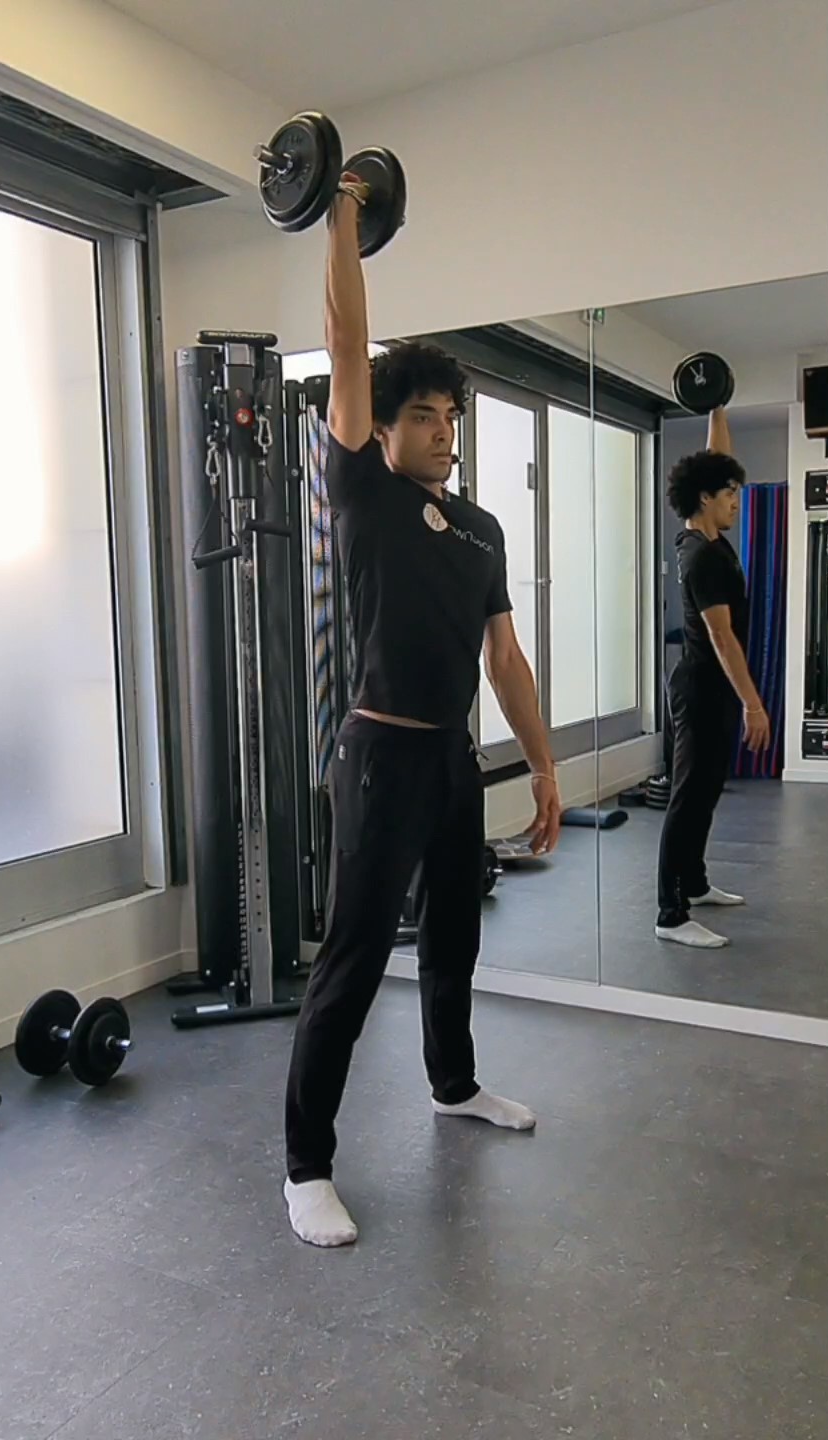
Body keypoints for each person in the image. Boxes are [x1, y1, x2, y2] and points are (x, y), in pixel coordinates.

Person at [282, 172, 561, 1248]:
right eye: (425, 417)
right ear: (384, 430)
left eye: (452, 416)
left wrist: (540, 767)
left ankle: (454, 1086)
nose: (443, 432)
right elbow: (346, 341)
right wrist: (343, 212)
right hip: (380, 756)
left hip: (453, 759)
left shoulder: (483, 527)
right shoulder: (364, 496)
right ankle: (306, 1164)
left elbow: (506, 654)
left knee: (455, 935)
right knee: (353, 959)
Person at [655, 408, 770, 951]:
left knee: (705, 795)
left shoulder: (702, 538)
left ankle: (695, 884)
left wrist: (717, 405)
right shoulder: (700, 558)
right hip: (702, 687)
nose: (736, 500)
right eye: (728, 493)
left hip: (713, 687)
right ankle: (669, 913)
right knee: (688, 796)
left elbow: (714, 461)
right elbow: (723, 639)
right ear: (705, 498)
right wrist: (754, 704)